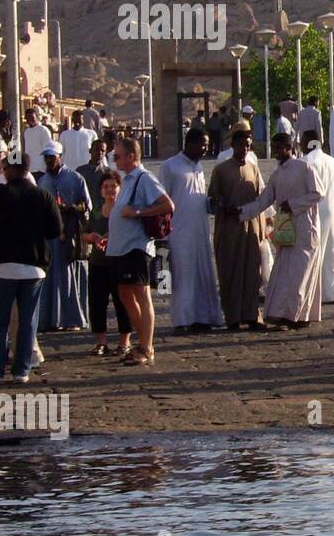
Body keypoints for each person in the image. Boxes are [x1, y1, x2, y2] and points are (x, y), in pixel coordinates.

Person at [0, 153, 62, 382]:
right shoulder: (43, 196)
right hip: (33, 268)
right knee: (28, 321)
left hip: (3, 268)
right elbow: (55, 230)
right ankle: (21, 370)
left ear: (8, 169)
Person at [237, 132, 322, 329]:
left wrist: (292, 204)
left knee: (301, 275)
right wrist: (240, 213)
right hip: (286, 228)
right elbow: (264, 200)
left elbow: (318, 193)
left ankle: (298, 316)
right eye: (274, 148)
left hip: (305, 228)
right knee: (284, 275)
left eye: (278, 148)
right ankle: (283, 314)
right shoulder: (277, 175)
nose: (275, 152)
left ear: (289, 147)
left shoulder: (305, 167)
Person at [107, 136, 174, 366]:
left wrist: (136, 213)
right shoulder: (127, 180)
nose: (114, 159)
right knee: (124, 293)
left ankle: (147, 346)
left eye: (117, 155)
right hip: (120, 248)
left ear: (131, 156)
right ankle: (142, 340)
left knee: (141, 293)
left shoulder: (144, 178)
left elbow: (167, 205)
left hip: (136, 247)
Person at [158, 127, 224, 333]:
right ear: (190, 143)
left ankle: (203, 317)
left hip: (200, 231)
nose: (205, 149)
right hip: (178, 232)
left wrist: (210, 203)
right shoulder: (170, 167)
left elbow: (196, 198)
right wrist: (162, 234)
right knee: (182, 276)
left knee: (202, 274)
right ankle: (182, 319)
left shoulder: (199, 168)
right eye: (202, 144)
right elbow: (161, 199)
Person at [208, 124, 268, 331]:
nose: (244, 150)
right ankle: (233, 317)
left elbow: (260, 198)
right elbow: (212, 198)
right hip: (229, 229)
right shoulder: (221, 170)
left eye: (248, 146)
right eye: (241, 145)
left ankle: (252, 315)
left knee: (252, 272)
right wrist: (225, 207)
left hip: (251, 228)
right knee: (230, 272)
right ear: (232, 145)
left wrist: (262, 229)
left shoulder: (253, 168)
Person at [36, 140, 92, 332]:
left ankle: (71, 319)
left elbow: (87, 208)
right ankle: (49, 319)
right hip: (49, 237)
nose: (49, 160)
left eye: (52, 157)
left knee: (69, 278)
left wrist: (69, 210)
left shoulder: (75, 178)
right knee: (49, 277)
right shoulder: (42, 181)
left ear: (60, 157)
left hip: (69, 237)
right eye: (47, 157)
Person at [83, 173, 132, 357]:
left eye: (113, 186)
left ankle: (124, 341)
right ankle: (101, 342)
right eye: (106, 186)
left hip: (118, 261)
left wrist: (112, 237)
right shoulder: (96, 211)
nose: (110, 190)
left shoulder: (124, 210)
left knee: (122, 302)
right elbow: (85, 234)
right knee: (97, 303)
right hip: (98, 262)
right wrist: (93, 237)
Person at [301, 130, 334, 303]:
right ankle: (333, 292)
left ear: (307, 142)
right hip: (330, 212)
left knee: (312, 252)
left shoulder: (304, 162)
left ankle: (313, 291)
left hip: (310, 212)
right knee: (331, 252)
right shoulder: (332, 162)